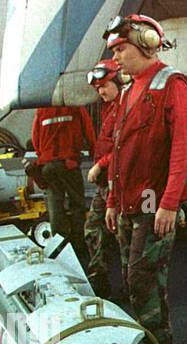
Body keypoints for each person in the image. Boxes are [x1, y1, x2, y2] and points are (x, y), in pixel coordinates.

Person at [102, 13, 187, 344]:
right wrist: (112, 201)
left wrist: (170, 204)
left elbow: (182, 148)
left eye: (121, 49)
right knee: (141, 286)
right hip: (128, 207)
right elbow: (118, 149)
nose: (116, 59)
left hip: (154, 208)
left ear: (146, 42)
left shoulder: (172, 85)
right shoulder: (129, 90)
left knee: (142, 284)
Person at [31, 101, 95, 270]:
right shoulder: (75, 106)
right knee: (77, 204)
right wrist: (95, 155)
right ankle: (78, 245)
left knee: (55, 206)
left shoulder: (41, 108)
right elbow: (89, 132)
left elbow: (35, 139)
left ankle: (59, 246)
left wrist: (43, 156)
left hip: (47, 166)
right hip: (68, 164)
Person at [84, 58, 127, 300]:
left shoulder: (125, 108)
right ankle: (98, 278)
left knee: (124, 235)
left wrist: (100, 165)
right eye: (98, 88)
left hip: (117, 183)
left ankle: (131, 284)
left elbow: (124, 147)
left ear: (117, 82)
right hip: (104, 183)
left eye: (104, 86)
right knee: (92, 228)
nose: (101, 92)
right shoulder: (109, 108)